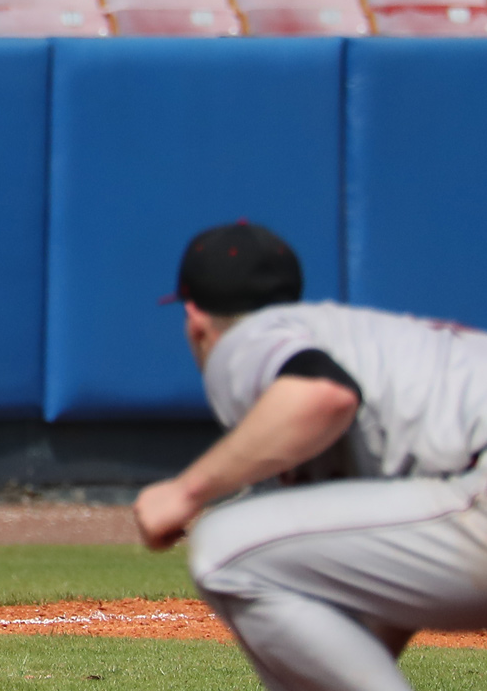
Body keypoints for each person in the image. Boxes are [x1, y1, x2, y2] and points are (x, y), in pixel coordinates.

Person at [134, 222, 487, 691]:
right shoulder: (364, 337)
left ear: (195, 319)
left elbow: (324, 395)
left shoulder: (246, 339)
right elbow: (377, 605)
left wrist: (185, 491)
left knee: (225, 549)